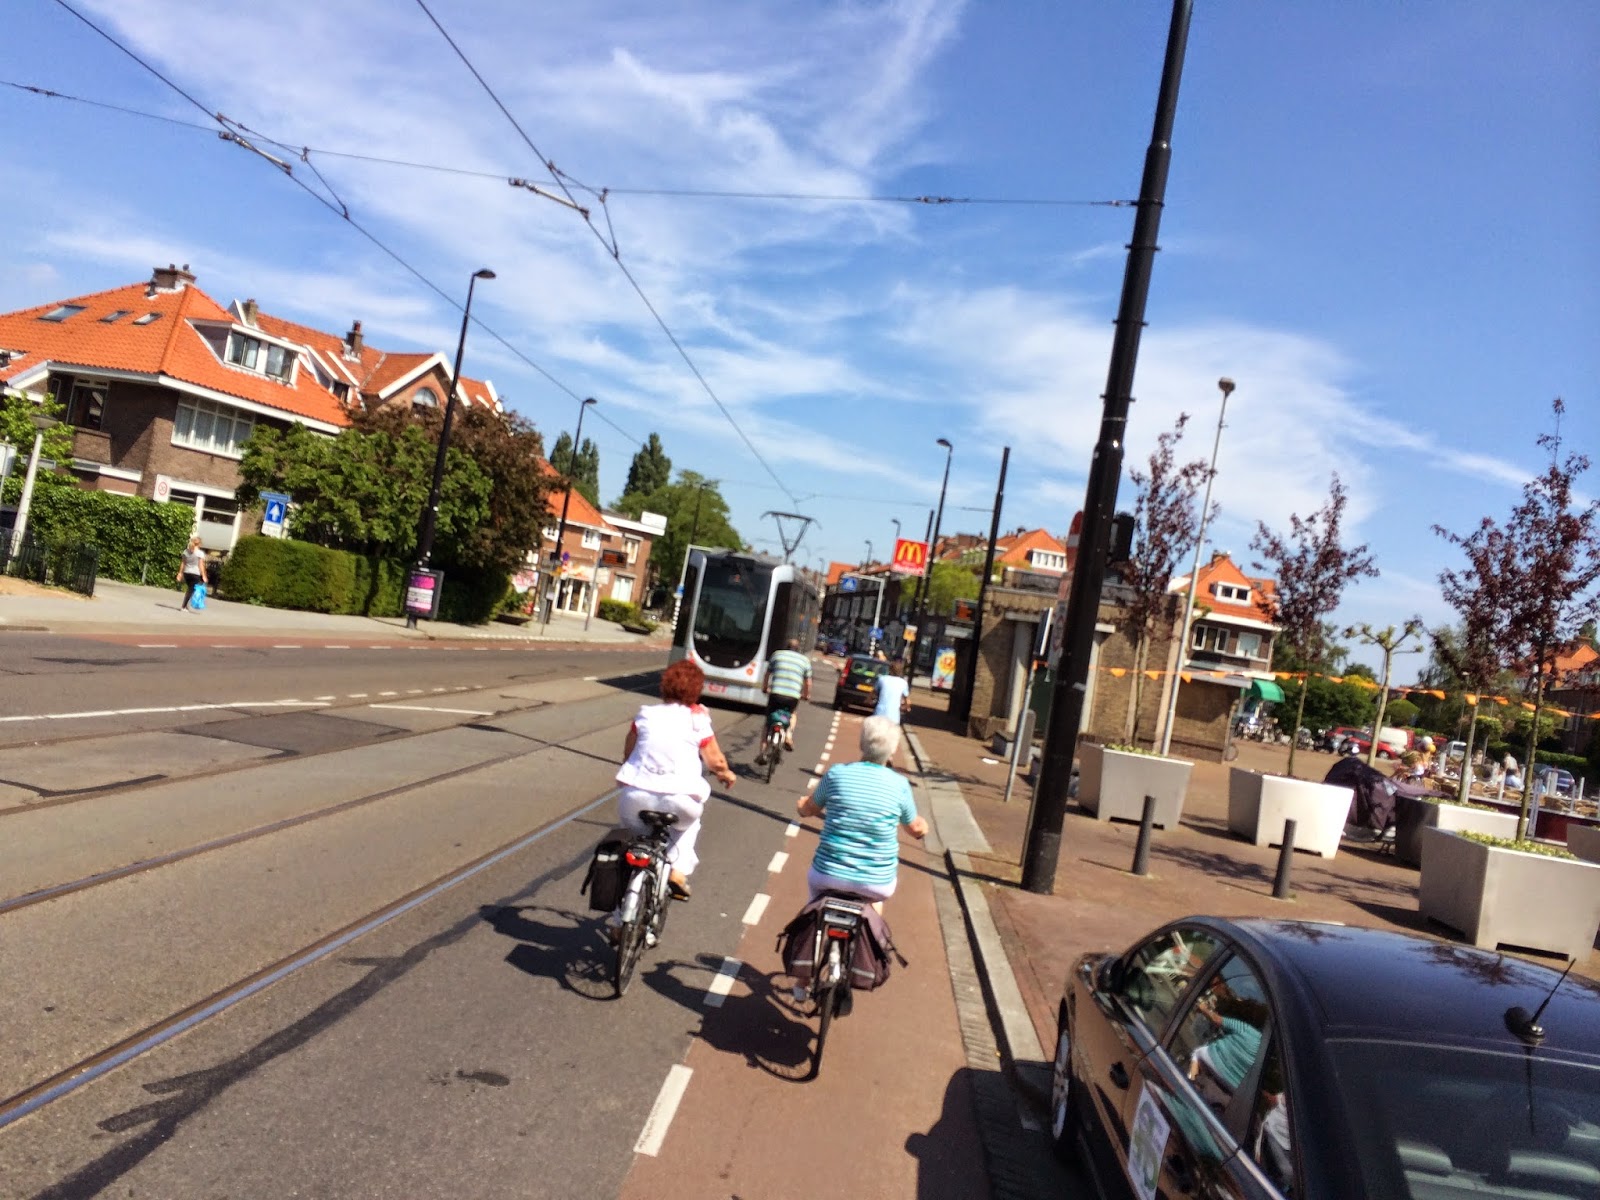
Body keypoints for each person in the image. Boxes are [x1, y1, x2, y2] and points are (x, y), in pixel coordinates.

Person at [614, 659, 736, 902]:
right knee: (689, 825)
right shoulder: (697, 719)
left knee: (637, 843)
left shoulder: (645, 714)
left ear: (665, 686)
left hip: (634, 799)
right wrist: (726, 774)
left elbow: (629, 753)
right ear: (696, 690)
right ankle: (677, 872)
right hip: (680, 801)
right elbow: (715, 761)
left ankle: (620, 919)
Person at [796, 716, 928, 906]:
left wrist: (802, 806)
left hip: (828, 872)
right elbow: (914, 827)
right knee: (874, 903)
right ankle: (874, 935)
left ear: (861, 743)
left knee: (813, 906)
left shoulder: (836, 774)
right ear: (892, 750)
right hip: (876, 881)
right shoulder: (900, 785)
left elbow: (810, 808)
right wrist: (923, 827)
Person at [759, 637, 812, 755]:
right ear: (798, 649)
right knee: (792, 713)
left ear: (786, 646)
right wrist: (806, 695)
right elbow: (808, 682)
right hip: (792, 696)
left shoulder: (777, 655)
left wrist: (765, 688)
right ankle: (788, 735)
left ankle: (762, 751)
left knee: (768, 722)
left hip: (776, 693)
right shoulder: (804, 660)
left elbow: (767, 674)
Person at [872, 660, 911, 726]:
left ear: (890, 670)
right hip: (894, 718)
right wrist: (906, 707)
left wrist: (868, 700)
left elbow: (873, 693)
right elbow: (908, 702)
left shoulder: (882, 679)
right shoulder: (903, 683)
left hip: (879, 714)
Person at [175, 535, 207, 611]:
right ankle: (183, 606)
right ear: (199, 544)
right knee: (191, 590)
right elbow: (201, 565)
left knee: (190, 589)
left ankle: (186, 606)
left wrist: (180, 573)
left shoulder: (185, 551)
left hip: (186, 573)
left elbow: (183, 563)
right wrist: (204, 575)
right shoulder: (199, 553)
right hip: (195, 574)